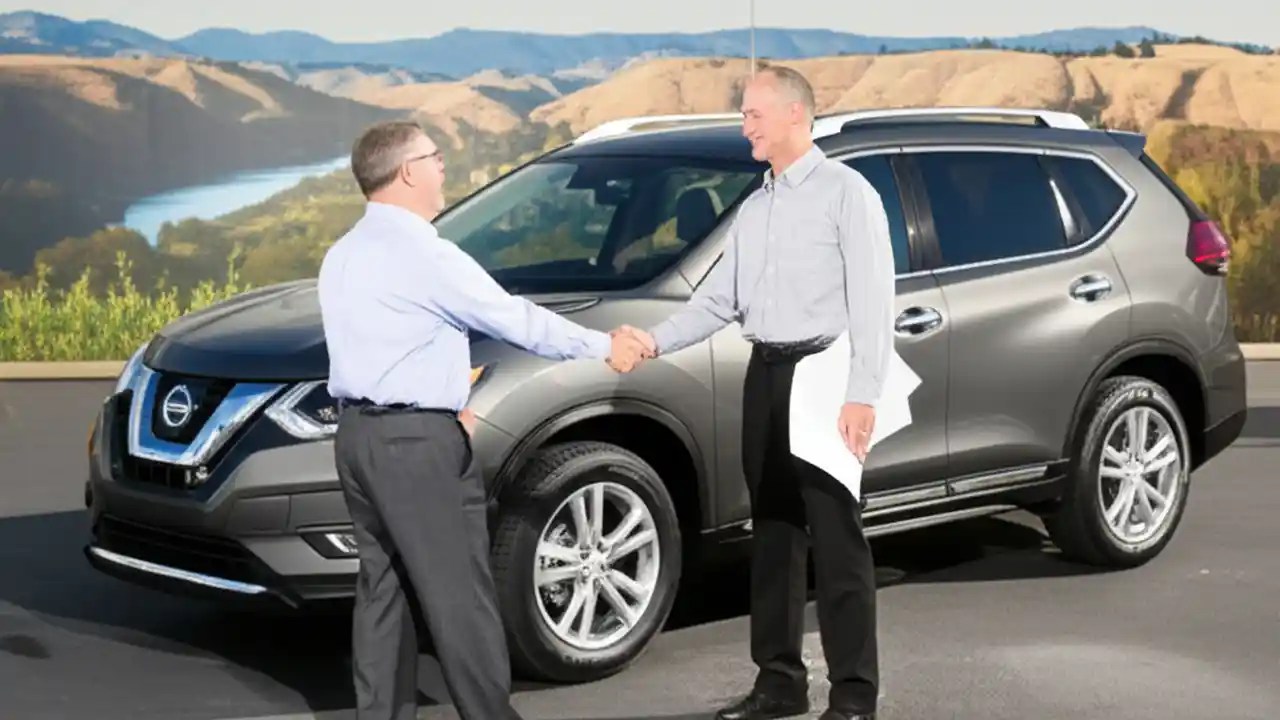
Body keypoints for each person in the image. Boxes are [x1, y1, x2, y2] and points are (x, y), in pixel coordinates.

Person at [317, 120, 650, 720]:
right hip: (416, 446)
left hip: (359, 439)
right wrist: (605, 348)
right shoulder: (426, 254)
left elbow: (385, 345)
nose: (443, 167)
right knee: (460, 597)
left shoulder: (343, 253)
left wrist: (444, 395)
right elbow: (517, 321)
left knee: (381, 593)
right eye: (434, 157)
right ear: (408, 171)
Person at [617, 65, 894, 720]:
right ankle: (779, 684)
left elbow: (875, 302)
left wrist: (863, 394)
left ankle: (854, 699)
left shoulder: (846, 195)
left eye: (753, 115)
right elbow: (717, 300)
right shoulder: (756, 206)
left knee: (836, 540)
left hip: (825, 375)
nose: (745, 126)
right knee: (772, 535)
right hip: (764, 375)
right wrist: (654, 341)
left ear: (795, 115)